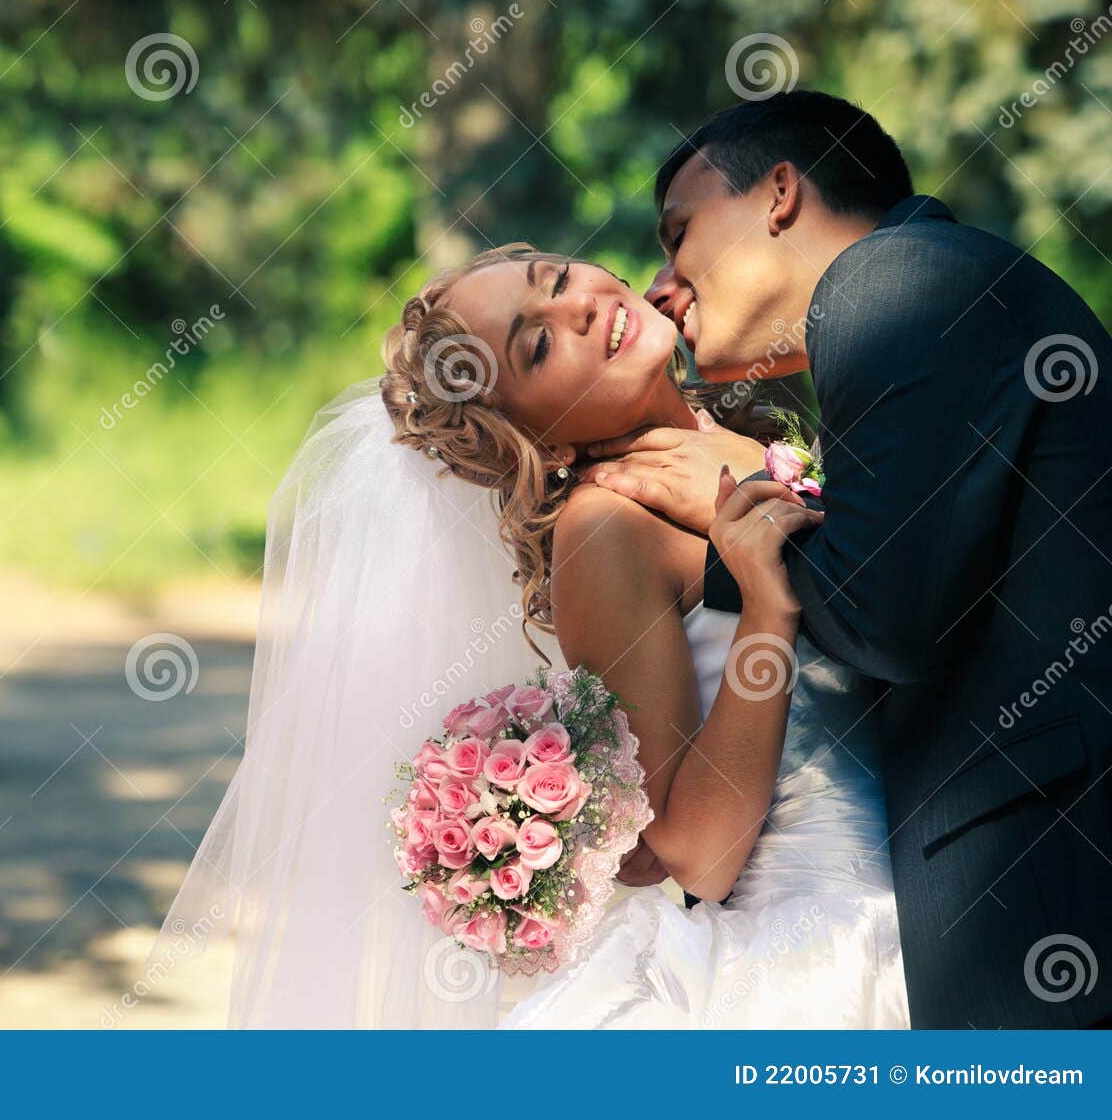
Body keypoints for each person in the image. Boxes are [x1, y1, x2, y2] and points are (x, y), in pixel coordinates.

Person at [161, 242, 908, 1028]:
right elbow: (701, 853)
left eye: (557, 279)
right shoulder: (607, 526)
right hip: (822, 942)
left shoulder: (743, 416)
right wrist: (766, 611)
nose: (578, 306)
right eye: (539, 344)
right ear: (543, 442)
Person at [587, 90, 1112, 1028]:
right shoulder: (928, 281)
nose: (662, 284)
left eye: (679, 233)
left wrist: (737, 504)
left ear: (779, 192)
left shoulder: (893, 284)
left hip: (1047, 871)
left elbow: (884, 618)